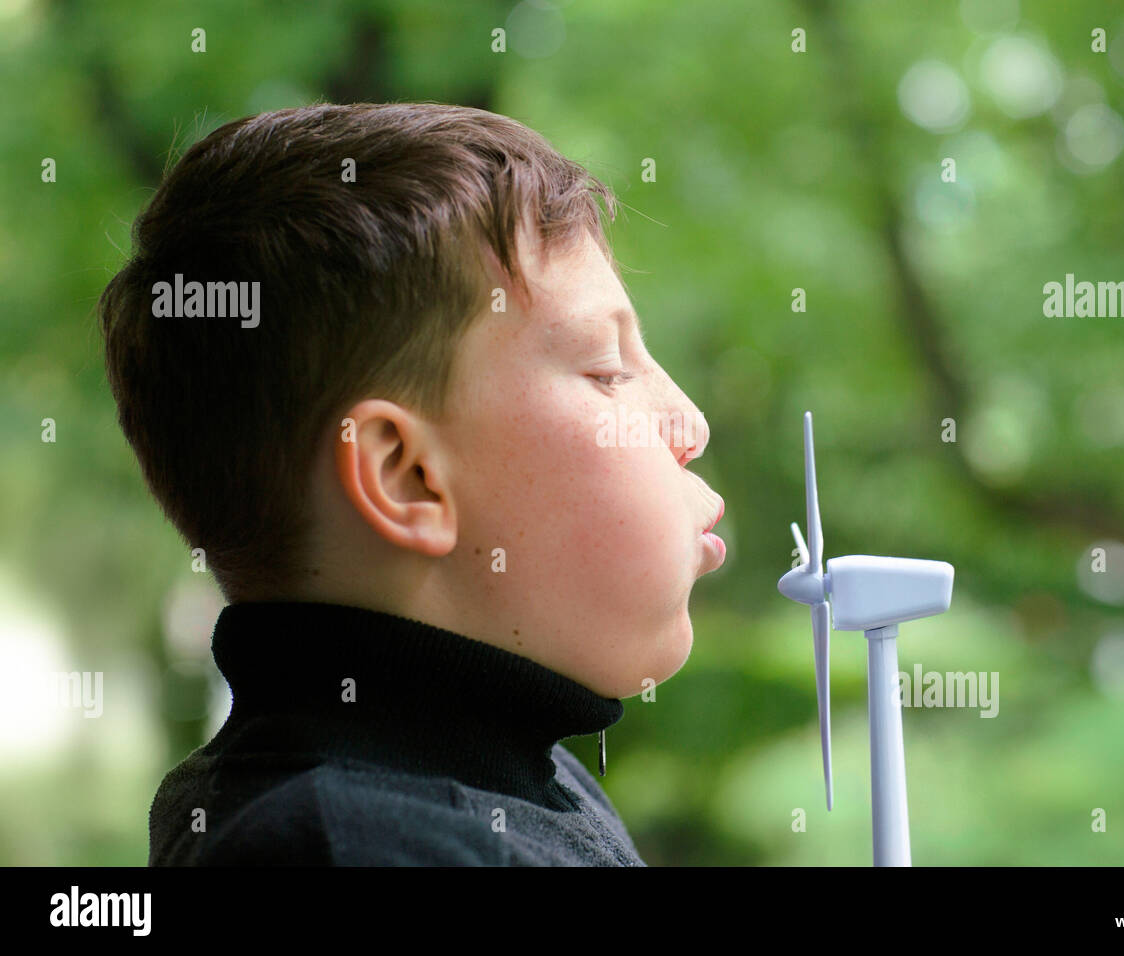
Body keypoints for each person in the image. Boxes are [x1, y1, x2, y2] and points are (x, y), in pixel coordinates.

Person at [96, 102, 727, 865]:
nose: (689, 423)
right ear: (405, 475)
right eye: (607, 370)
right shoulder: (346, 847)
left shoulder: (525, 770)